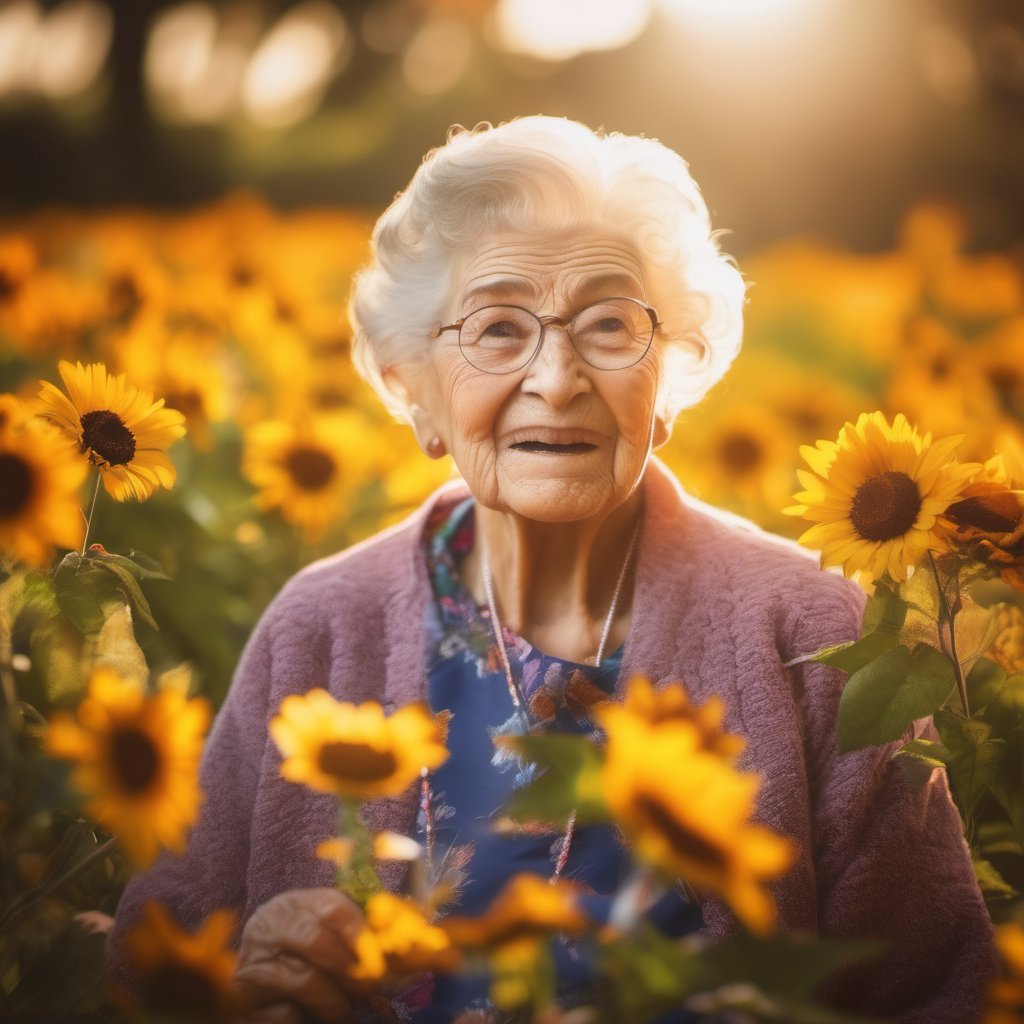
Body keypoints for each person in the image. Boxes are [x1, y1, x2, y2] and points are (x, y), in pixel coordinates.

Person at [104, 116, 994, 1023]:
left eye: (609, 325)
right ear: (419, 394)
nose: (558, 376)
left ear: (669, 387)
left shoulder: (813, 630)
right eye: (498, 329)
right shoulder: (322, 624)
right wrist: (244, 984)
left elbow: (936, 994)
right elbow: (143, 975)